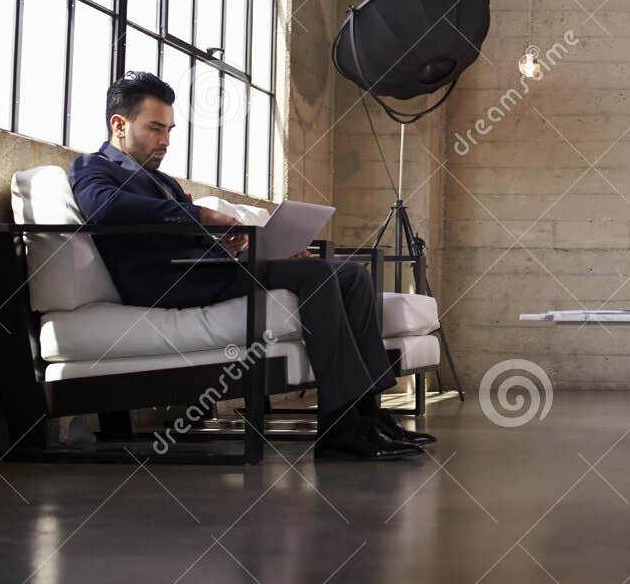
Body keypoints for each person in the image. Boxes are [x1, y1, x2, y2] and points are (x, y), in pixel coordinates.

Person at [69, 72, 431, 460]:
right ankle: (339, 425)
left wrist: (237, 248)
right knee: (316, 274)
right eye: (155, 128)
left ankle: (366, 414)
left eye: (170, 130)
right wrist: (200, 214)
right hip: (167, 283)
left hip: (206, 271)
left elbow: (189, 237)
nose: (166, 141)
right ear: (119, 125)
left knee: (351, 274)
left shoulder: (162, 182)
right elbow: (105, 207)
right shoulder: (93, 168)